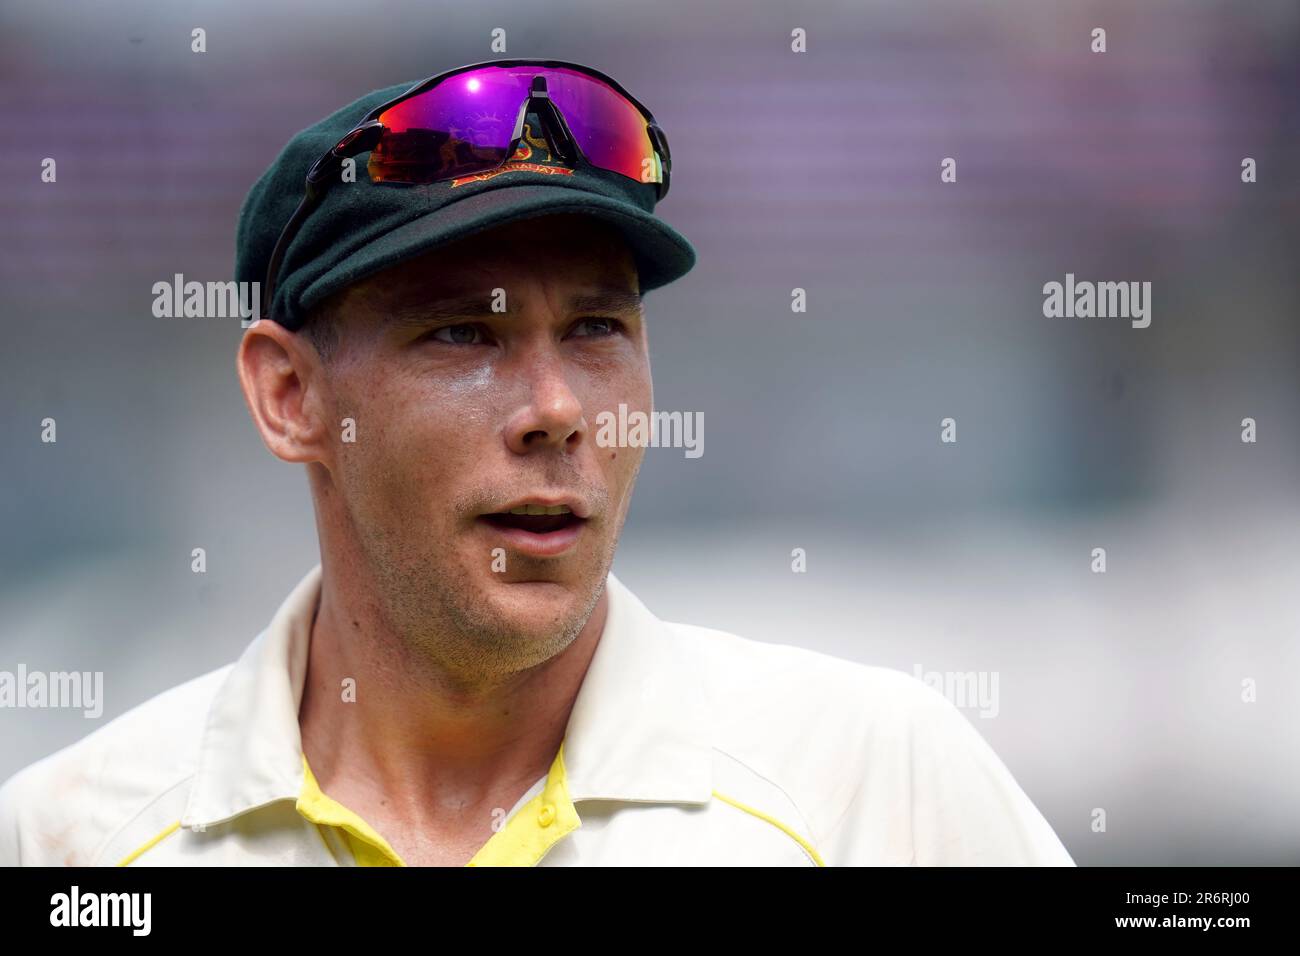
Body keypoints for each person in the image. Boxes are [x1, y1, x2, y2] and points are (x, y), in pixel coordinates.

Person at [0, 60, 1074, 866]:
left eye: (599, 329)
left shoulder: (871, 783)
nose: (558, 410)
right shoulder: (72, 843)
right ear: (292, 397)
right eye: (464, 335)